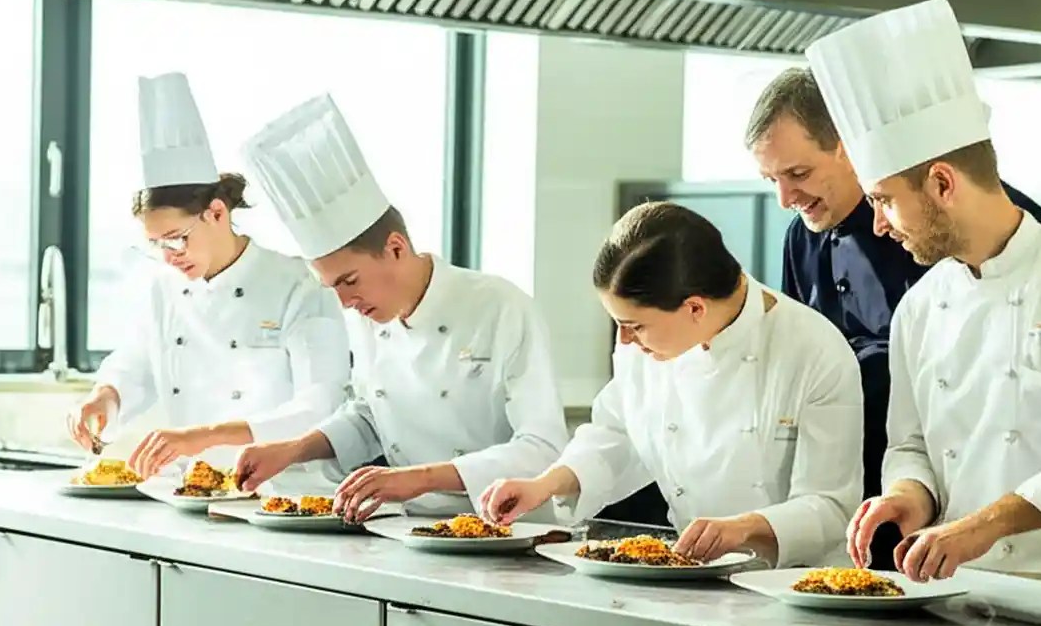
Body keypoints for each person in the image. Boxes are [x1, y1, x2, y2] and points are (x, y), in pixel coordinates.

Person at [809, 0, 1041, 587]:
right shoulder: (921, 309)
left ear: (942, 183)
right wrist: (907, 495)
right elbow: (913, 443)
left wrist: (984, 525)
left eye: (883, 199)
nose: (878, 224)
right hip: (965, 591)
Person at [744, 67, 1041, 570]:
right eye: (771, 180)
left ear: (850, 148)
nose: (785, 199)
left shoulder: (967, 232)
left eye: (798, 174)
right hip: (877, 498)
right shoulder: (801, 240)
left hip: (989, 523)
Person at [233, 93, 568, 521]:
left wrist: (418, 478)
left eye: (349, 281)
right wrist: (293, 449)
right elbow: (372, 414)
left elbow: (542, 447)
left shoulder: (501, 306)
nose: (344, 303)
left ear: (395, 248)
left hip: (508, 532)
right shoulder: (373, 317)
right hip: (415, 528)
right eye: (331, 286)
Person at [481, 201, 863, 567]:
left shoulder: (814, 350)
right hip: (692, 571)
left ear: (695, 308)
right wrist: (545, 485)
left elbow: (829, 506)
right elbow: (616, 432)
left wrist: (742, 528)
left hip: (795, 584)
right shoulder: (648, 347)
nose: (625, 341)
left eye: (635, 326)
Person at [66, 73, 350, 486]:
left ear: (217, 213)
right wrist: (104, 396)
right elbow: (136, 366)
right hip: (194, 488)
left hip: (282, 492)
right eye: (155, 245)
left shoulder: (299, 285)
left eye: (177, 239)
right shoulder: (164, 290)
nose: (169, 256)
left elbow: (320, 403)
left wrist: (203, 437)